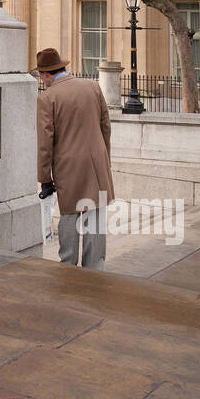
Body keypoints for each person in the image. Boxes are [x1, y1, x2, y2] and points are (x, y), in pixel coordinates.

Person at [36, 47, 113, 271]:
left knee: (70, 216)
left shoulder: (46, 98)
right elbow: (105, 127)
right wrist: (103, 159)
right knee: (95, 217)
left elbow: (44, 144)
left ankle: (68, 267)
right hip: (97, 165)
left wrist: (45, 178)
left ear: (46, 74)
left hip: (68, 167)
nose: (43, 81)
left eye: (42, 76)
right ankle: (94, 270)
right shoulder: (92, 87)